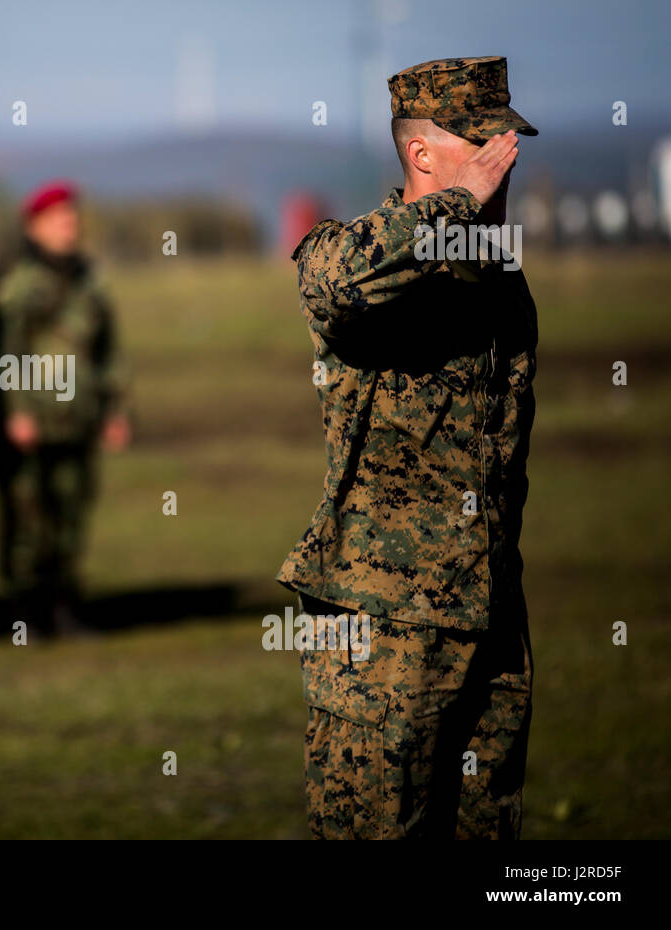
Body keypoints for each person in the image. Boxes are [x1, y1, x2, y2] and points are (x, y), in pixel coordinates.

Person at [277, 56, 537, 839]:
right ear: (422, 154)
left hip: (488, 615)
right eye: (483, 143)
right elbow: (335, 283)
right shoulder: (357, 258)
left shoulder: (497, 277)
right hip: (384, 631)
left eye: (509, 140)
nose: (507, 159)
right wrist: (459, 204)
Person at [0, 181, 130, 636]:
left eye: (71, 218)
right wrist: (16, 411)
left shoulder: (90, 278)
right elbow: (4, 350)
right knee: (30, 520)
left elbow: (108, 348)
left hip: (80, 418)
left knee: (72, 516)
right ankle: (24, 613)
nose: (67, 227)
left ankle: (65, 607)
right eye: (56, 219)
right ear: (34, 227)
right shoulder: (18, 282)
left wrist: (115, 409)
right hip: (35, 420)